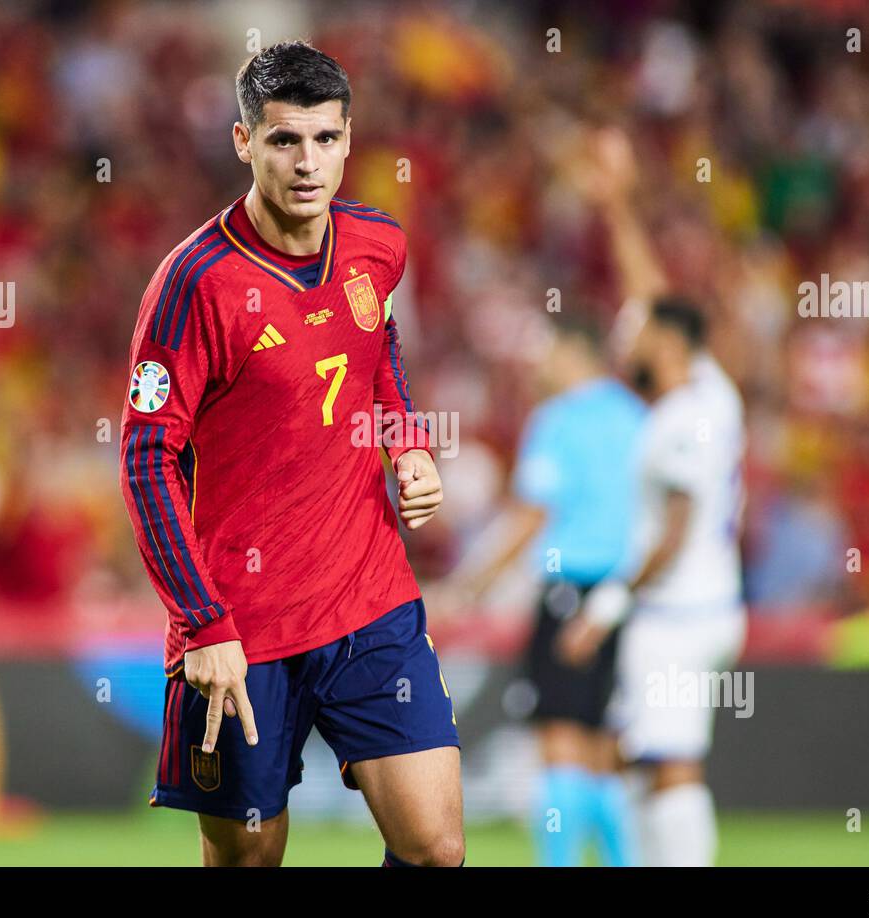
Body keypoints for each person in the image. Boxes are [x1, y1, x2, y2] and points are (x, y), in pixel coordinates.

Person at [118, 40, 462, 867]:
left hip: (367, 598)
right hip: (241, 625)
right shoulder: (193, 285)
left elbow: (378, 343)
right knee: (248, 860)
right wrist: (202, 623)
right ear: (245, 143)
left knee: (437, 847)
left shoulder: (378, 244)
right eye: (283, 141)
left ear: (349, 139)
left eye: (324, 140)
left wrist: (406, 440)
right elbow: (145, 459)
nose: (307, 163)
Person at [559, 130, 747, 866]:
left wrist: (604, 608)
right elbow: (654, 297)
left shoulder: (676, 422)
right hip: (703, 604)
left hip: (676, 612)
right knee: (630, 756)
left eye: (637, 336)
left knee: (669, 765)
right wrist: (617, 209)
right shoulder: (713, 394)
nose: (624, 343)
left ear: (665, 347)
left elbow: (672, 532)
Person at [441, 316, 646, 865]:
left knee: (560, 744)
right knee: (603, 748)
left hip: (570, 593)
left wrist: (470, 585)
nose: (540, 362)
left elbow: (532, 515)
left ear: (576, 352)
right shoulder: (636, 416)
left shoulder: (557, 421)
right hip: (624, 597)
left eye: (549, 350)